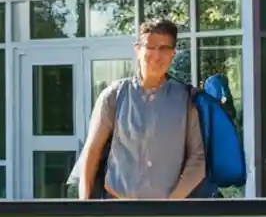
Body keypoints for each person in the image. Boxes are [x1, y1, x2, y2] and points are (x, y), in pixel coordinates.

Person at [77, 18, 206, 200]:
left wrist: (174, 202)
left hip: (169, 212)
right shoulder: (114, 95)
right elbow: (92, 151)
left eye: (164, 48)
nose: (156, 55)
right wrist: (84, 203)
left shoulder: (187, 99)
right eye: (150, 47)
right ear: (138, 49)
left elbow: (198, 158)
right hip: (118, 208)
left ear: (173, 54)